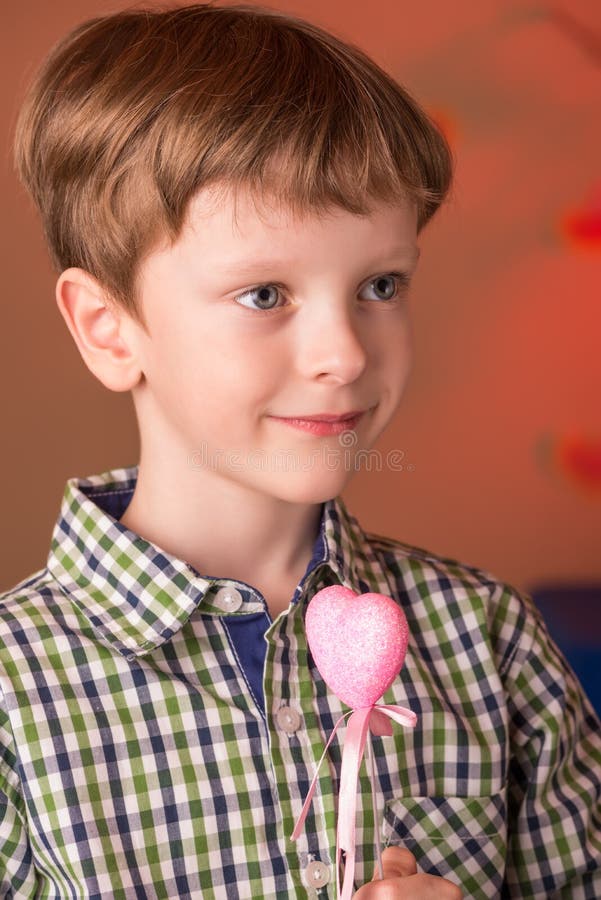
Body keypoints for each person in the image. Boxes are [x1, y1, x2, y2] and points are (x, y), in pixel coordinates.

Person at [3, 3, 600, 898]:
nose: (347, 354)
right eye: (264, 294)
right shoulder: (14, 699)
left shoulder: (489, 642)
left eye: (379, 285)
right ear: (110, 329)